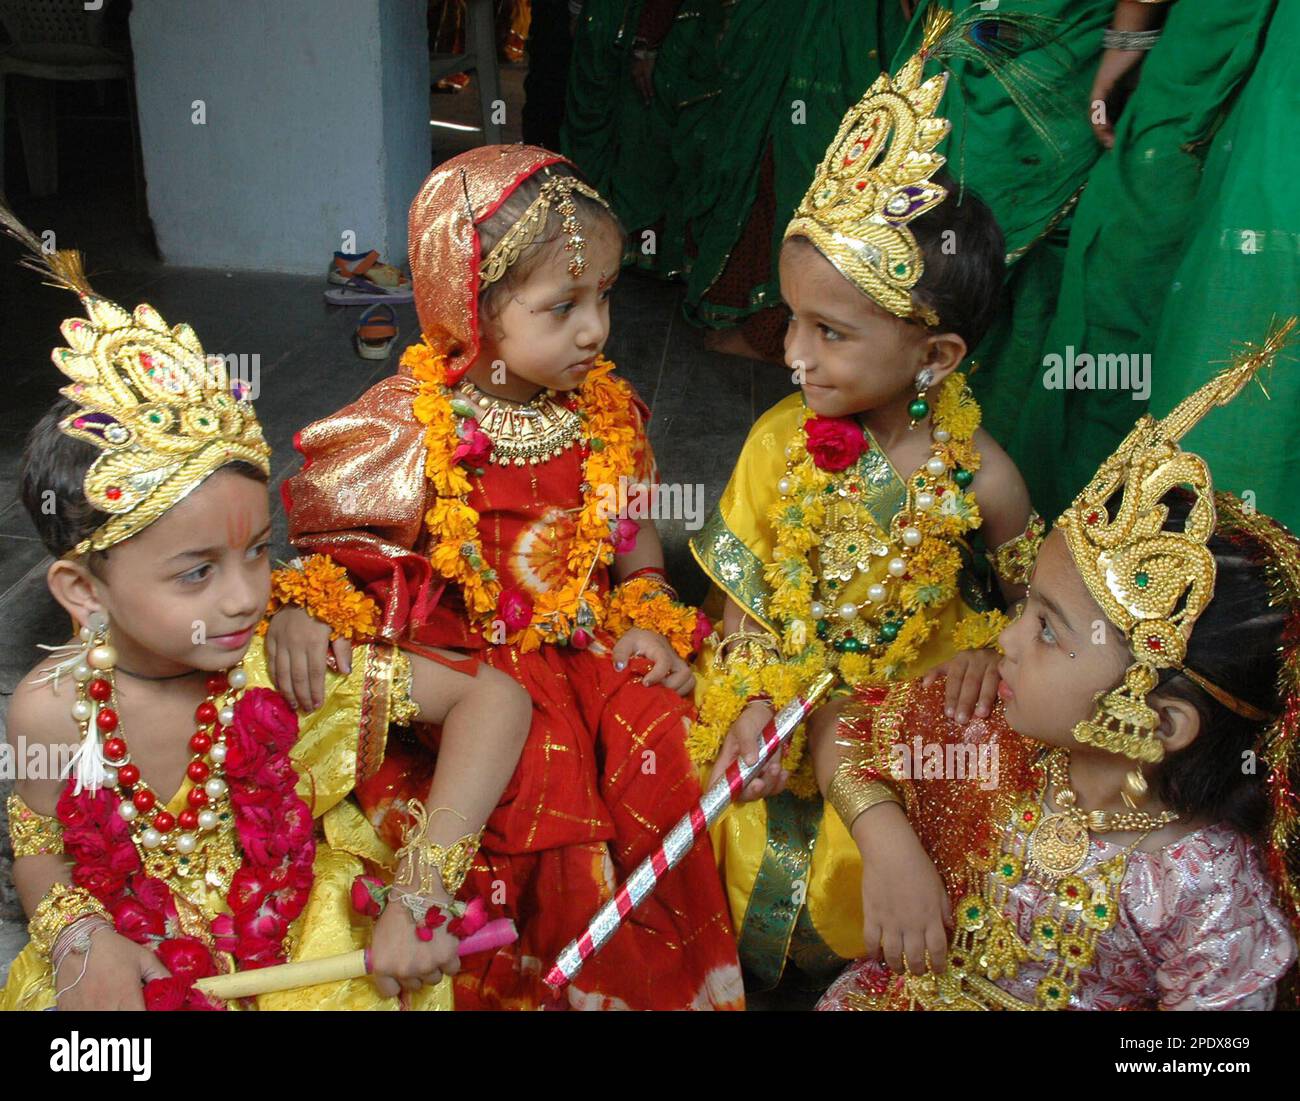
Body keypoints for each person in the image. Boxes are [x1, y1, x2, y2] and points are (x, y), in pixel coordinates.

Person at [0, 224, 531, 1011]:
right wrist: (82, 940)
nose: (249, 594)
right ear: (83, 591)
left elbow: (497, 698)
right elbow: (40, 846)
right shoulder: (47, 711)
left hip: (307, 948)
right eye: (198, 571)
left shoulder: (280, 670)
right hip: (127, 964)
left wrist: (419, 888)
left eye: (256, 551)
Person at [268, 145, 744, 1010]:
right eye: (563, 306)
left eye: (603, 296)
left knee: (664, 739)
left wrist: (646, 610)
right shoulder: (414, 426)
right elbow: (342, 553)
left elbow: (631, 540)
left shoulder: (609, 413)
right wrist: (307, 605)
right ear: (471, 307)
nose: (595, 329)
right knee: (536, 775)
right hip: (470, 662)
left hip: (589, 649)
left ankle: (656, 977)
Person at [687, 10, 1040, 992]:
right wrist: (753, 698)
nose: (793, 355)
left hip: (909, 719)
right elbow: (740, 612)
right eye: (791, 320)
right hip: (783, 705)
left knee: (926, 850)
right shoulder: (775, 444)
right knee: (726, 823)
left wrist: (979, 650)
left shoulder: (986, 480)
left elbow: (1026, 613)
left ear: (934, 359)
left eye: (829, 333)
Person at [815, 325, 1299, 1009]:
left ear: (1156, 719)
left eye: (1045, 626)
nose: (1005, 639)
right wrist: (886, 840)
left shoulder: (1209, 893)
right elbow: (842, 729)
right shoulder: (989, 738)